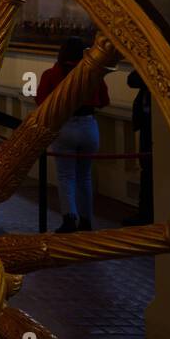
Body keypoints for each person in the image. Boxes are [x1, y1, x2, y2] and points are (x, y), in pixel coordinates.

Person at [37, 36, 110, 233]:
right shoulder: (93, 74)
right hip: (89, 126)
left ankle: (70, 218)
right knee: (85, 176)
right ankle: (86, 220)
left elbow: (41, 101)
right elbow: (104, 100)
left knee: (66, 176)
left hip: (65, 125)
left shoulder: (52, 74)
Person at [122, 69, 153, 225]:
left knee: (149, 170)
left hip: (155, 125)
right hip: (146, 124)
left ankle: (147, 212)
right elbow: (132, 79)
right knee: (146, 169)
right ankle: (145, 212)